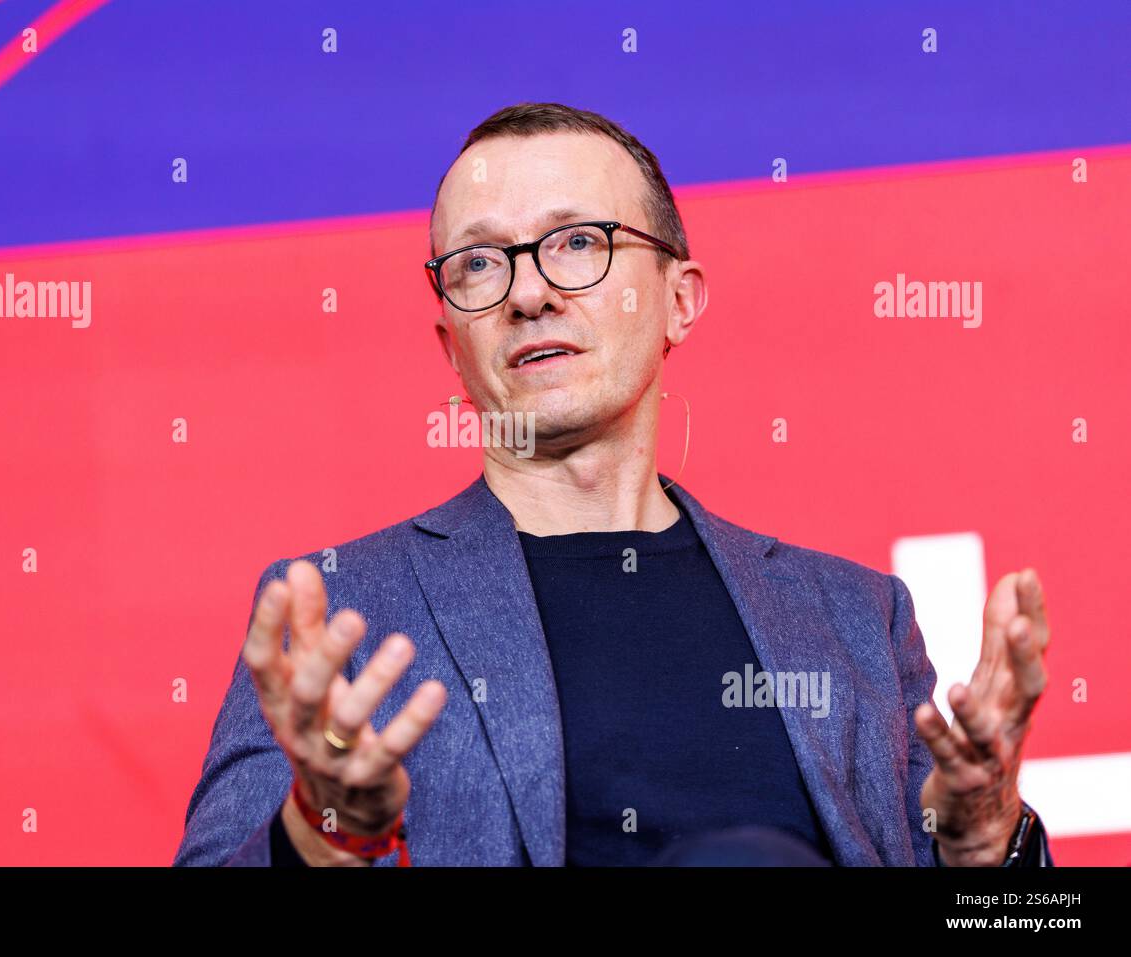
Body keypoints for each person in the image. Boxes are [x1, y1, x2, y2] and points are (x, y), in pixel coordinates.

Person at [174, 102, 1053, 867]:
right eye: (478, 263)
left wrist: (986, 840)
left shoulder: (854, 618)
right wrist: (323, 836)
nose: (528, 294)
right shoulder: (340, 611)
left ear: (680, 299)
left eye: (577, 243)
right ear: (451, 346)